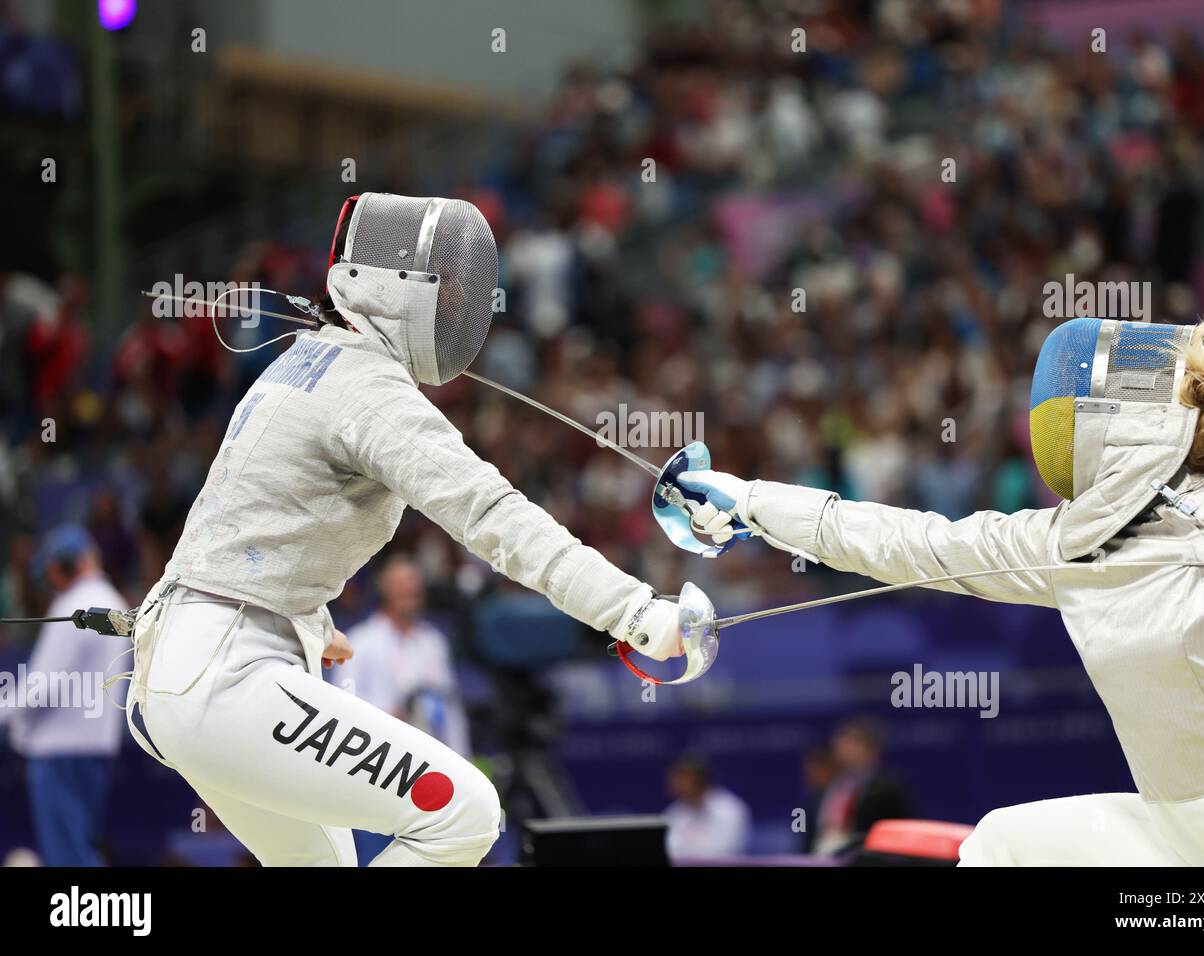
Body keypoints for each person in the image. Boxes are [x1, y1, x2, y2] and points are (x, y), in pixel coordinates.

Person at [125, 194, 699, 867]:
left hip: (185, 673)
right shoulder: (365, 388)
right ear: (401, 292)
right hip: (224, 681)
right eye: (448, 293)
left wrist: (307, 624)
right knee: (463, 812)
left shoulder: (306, 362)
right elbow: (492, 516)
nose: (463, 312)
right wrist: (634, 612)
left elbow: (248, 526)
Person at [679, 318, 1204, 866]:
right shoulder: (1063, 546)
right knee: (1000, 846)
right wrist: (751, 501)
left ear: (1123, 423)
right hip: (1186, 838)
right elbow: (909, 542)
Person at [9, 525, 128, 866]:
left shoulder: (74, 605)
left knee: (68, 856)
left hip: (59, 749)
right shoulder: (115, 604)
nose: (51, 582)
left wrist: (6, 714)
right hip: (97, 746)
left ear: (62, 567)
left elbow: (43, 686)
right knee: (80, 847)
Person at [331, 556, 469, 756]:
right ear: (386, 590)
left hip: (430, 752)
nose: (411, 592)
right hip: (378, 749)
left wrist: (462, 757)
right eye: (403, 587)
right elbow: (342, 702)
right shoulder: (361, 641)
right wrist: (388, 715)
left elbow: (450, 706)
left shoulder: (432, 642)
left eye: (415, 589)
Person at [811, 719, 913, 856]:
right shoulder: (826, 788)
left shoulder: (888, 789)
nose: (842, 747)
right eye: (841, 741)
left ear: (871, 750)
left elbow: (904, 833)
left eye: (851, 742)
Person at [662, 754, 751, 861]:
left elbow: (723, 852)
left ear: (699, 779)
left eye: (682, 777)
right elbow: (667, 849)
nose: (674, 782)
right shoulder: (675, 811)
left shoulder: (729, 810)